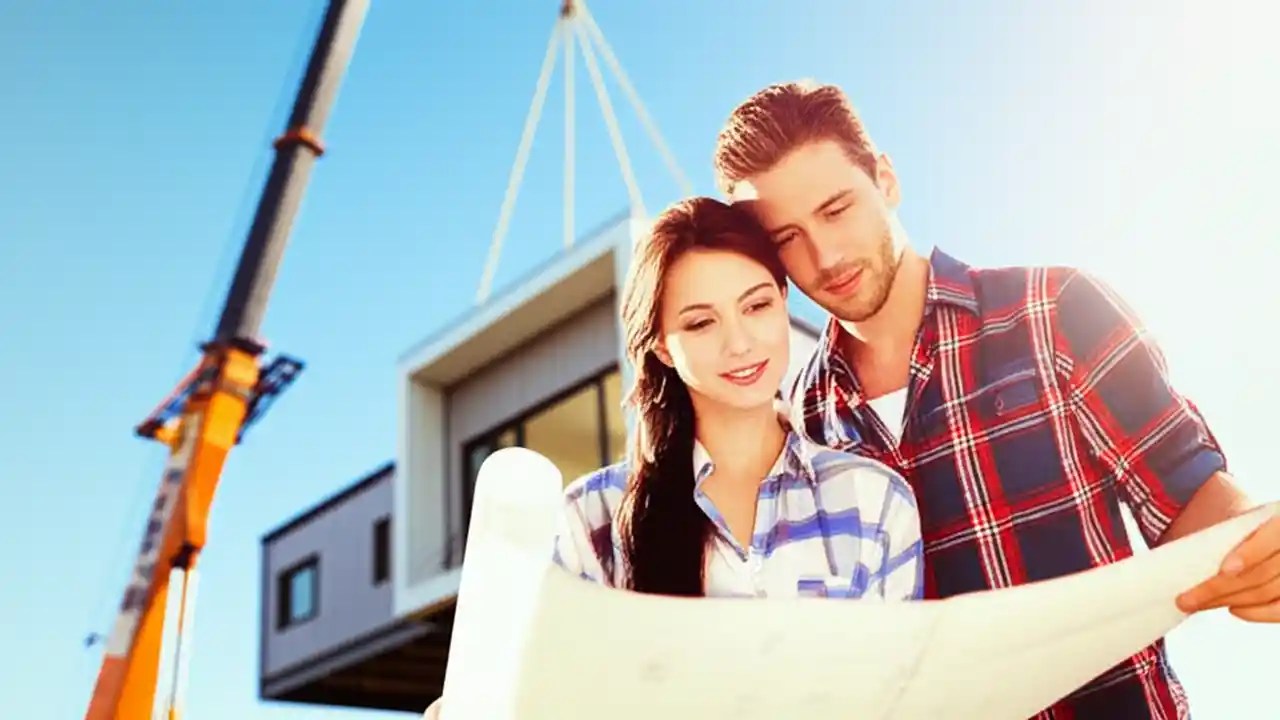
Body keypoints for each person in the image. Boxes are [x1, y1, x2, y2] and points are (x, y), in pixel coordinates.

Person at [711, 79, 1279, 719]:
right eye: (786, 238)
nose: (825, 255)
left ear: (886, 181)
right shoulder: (802, 419)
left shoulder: (1055, 310)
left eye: (836, 209)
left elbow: (1192, 492)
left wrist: (1260, 544)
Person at [422, 196, 925, 719]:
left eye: (756, 306)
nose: (740, 343)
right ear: (662, 346)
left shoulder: (874, 501)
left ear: (782, 299)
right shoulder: (592, 519)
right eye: (701, 323)